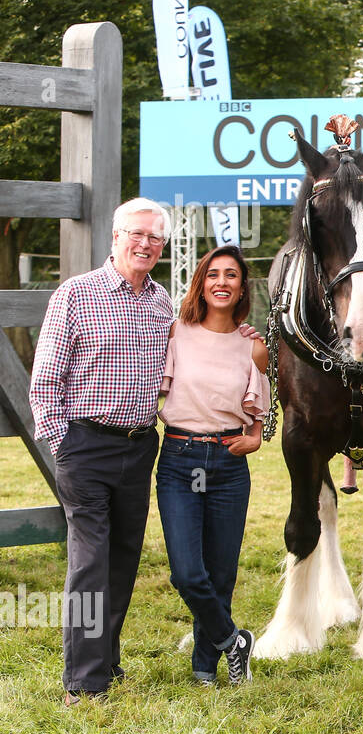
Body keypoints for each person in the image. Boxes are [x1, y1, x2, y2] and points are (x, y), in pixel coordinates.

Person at [30, 198, 175, 706]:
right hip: (84, 445)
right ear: (115, 237)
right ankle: (84, 682)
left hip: (139, 449)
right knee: (90, 559)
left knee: (122, 559)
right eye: (137, 234)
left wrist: (246, 339)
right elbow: (45, 380)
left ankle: (105, 658)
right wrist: (61, 443)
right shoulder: (76, 294)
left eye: (156, 238)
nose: (145, 244)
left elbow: (192, 361)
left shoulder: (164, 304)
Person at [156, 246, 268, 686]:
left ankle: (205, 668)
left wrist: (255, 436)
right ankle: (232, 639)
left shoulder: (253, 346)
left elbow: (261, 410)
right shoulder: (176, 332)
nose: (222, 283)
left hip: (227, 463)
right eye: (213, 275)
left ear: (242, 287)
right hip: (181, 460)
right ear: (201, 282)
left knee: (221, 573)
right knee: (187, 572)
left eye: (231, 276)